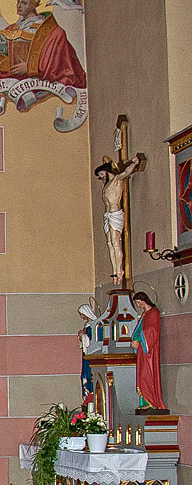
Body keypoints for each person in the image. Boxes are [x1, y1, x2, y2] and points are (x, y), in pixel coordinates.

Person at [0, 0, 86, 88]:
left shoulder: (50, 30)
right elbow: (3, 48)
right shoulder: (12, 28)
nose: (19, 6)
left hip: (38, 78)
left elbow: (56, 59)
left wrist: (30, 67)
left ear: (32, 6)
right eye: (18, 2)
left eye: (24, 3)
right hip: (15, 75)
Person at [94, 156, 142, 285]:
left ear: (106, 170)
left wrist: (133, 163)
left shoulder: (116, 180)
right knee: (109, 243)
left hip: (115, 214)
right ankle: (115, 270)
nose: (100, 178)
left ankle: (119, 270)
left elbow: (126, 173)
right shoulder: (106, 185)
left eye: (101, 174)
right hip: (108, 215)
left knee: (115, 243)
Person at [131, 291, 166, 411]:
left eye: (138, 302)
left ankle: (151, 401)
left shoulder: (154, 312)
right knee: (142, 375)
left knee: (148, 374)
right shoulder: (145, 314)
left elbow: (152, 331)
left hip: (149, 352)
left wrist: (139, 340)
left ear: (143, 300)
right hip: (142, 351)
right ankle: (144, 402)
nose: (138, 305)